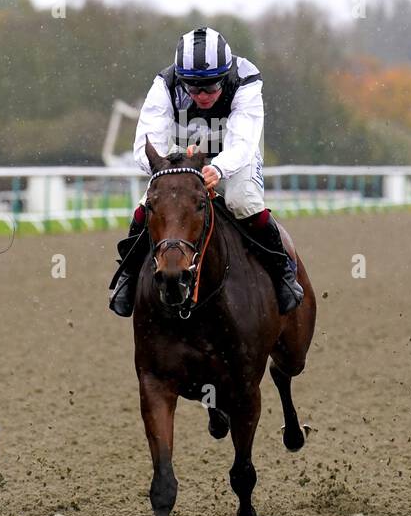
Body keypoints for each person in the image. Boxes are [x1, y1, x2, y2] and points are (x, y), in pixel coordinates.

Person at [108, 26, 304, 316]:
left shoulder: (246, 79)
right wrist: (171, 164)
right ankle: (128, 276)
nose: (202, 95)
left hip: (235, 156)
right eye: (193, 87)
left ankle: (283, 274)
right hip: (182, 158)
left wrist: (218, 168)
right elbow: (146, 145)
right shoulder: (164, 83)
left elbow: (243, 141)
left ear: (224, 77)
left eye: (211, 87)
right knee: (147, 206)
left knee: (242, 201)